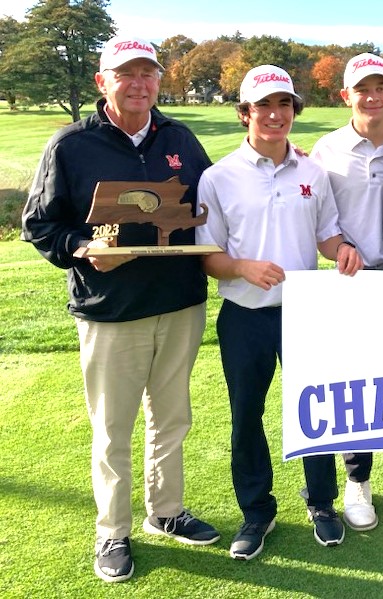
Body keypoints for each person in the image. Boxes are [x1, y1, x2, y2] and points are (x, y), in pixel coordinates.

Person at [21, 35, 219, 583]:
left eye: (147, 74)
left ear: (159, 80)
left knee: (173, 418)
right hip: (110, 308)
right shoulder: (71, 145)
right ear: (102, 81)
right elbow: (40, 225)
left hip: (179, 303)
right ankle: (113, 531)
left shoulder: (179, 136)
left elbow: (213, 201)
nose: (139, 84)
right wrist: (82, 250)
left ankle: (166, 511)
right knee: (113, 429)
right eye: (126, 74)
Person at [195, 64, 363, 558]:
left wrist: (344, 249)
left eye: (284, 104)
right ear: (245, 113)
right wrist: (242, 267)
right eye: (263, 105)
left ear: (294, 110)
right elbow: (208, 257)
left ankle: (322, 503)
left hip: (304, 313)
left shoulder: (312, 172)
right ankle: (257, 511)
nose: (274, 114)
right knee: (246, 414)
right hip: (245, 316)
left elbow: (327, 234)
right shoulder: (217, 177)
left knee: (315, 410)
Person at [310, 53, 383, 531]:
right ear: (345, 96)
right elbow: (322, 224)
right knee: (357, 386)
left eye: (381, 87)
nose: (372, 96)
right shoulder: (325, 151)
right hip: (353, 281)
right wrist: (339, 248)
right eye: (362, 88)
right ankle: (357, 481)